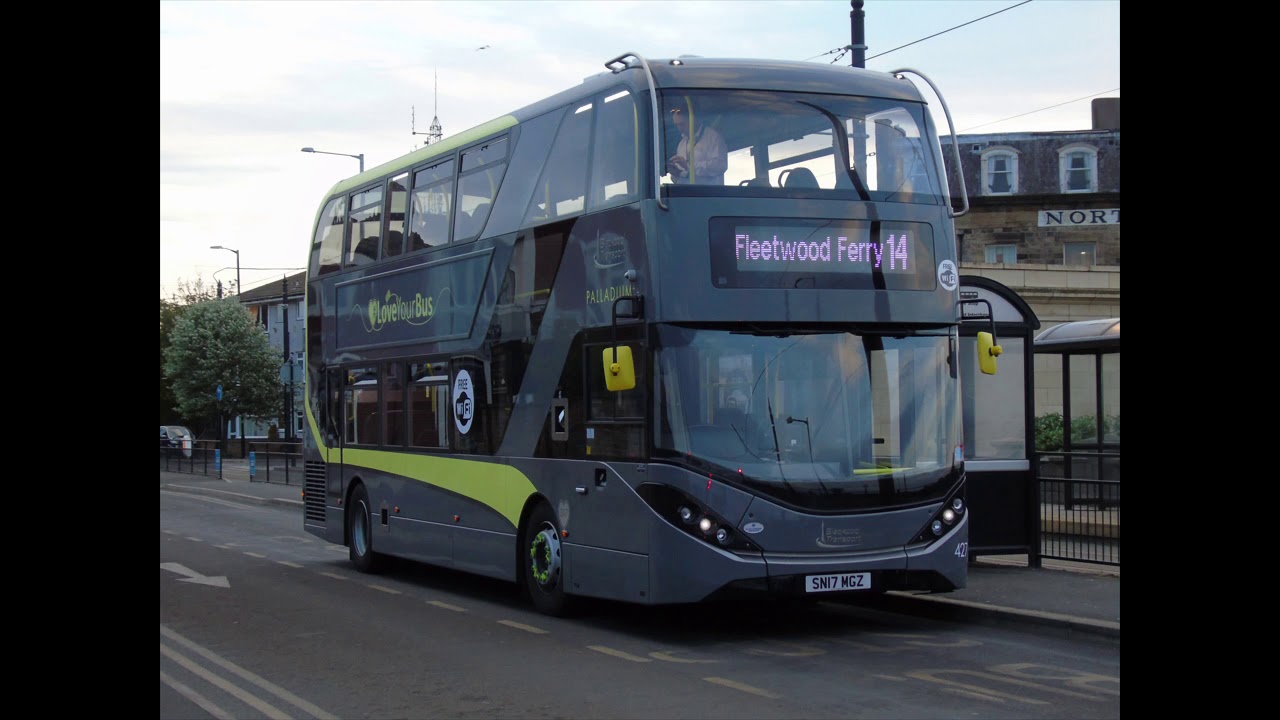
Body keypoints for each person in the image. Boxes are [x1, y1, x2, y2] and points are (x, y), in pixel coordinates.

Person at [666, 105, 727, 185]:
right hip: (685, 195)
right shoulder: (681, 144)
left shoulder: (713, 138)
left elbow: (719, 166)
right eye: (677, 125)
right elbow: (683, 177)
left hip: (708, 195)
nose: (679, 129)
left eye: (682, 124)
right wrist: (676, 174)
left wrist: (689, 166)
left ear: (693, 120)